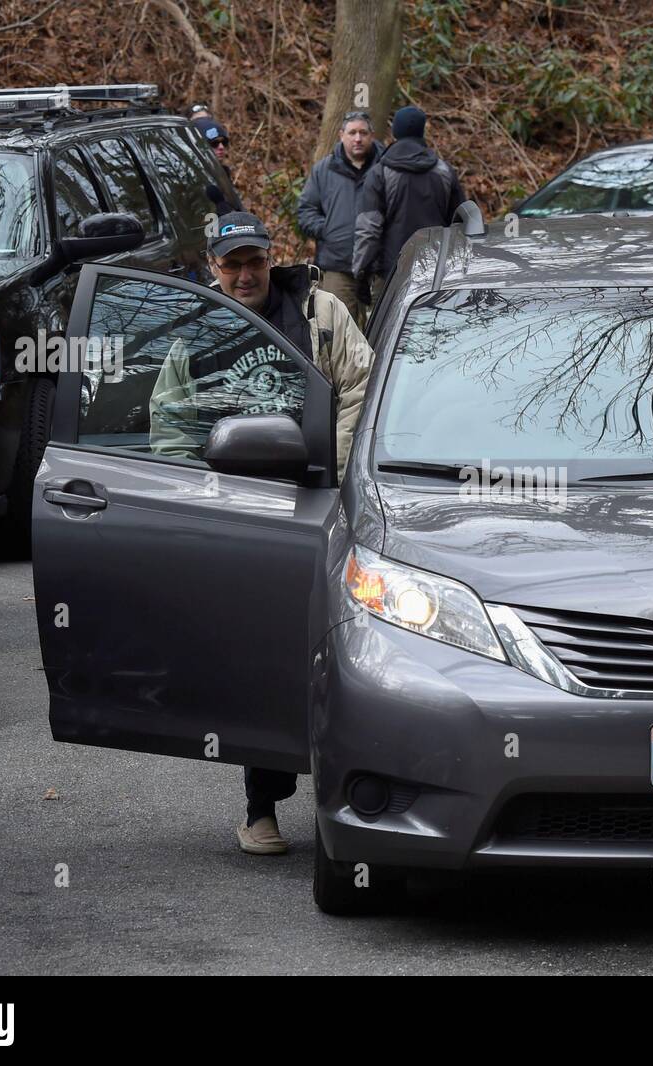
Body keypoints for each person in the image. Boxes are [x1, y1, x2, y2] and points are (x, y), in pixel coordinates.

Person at [149, 212, 376, 854]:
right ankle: (261, 809)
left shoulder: (320, 310)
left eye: (253, 260)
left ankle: (355, 798)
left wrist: (325, 463)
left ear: (269, 257)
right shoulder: (196, 329)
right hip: (241, 513)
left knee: (339, 649)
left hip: (323, 501)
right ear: (213, 268)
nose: (245, 274)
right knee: (260, 655)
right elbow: (170, 420)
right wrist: (197, 494)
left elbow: (363, 384)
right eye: (231, 264)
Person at [352, 105, 465, 310]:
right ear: (422, 131)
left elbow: (369, 230)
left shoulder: (380, 173)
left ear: (395, 132)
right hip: (437, 274)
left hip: (391, 276)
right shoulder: (445, 171)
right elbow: (461, 224)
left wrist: (361, 273)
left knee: (386, 339)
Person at [298, 110, 385, 327]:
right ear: (341, 135)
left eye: (363, 133)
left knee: (383, 330)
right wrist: (327, 230)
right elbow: (306, 211)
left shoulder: (387, 168)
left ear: (371, 136)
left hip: (380, 267)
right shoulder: (323, 170)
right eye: (352, 132)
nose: (358, 138)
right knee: (338, 331)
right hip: (338, 265)